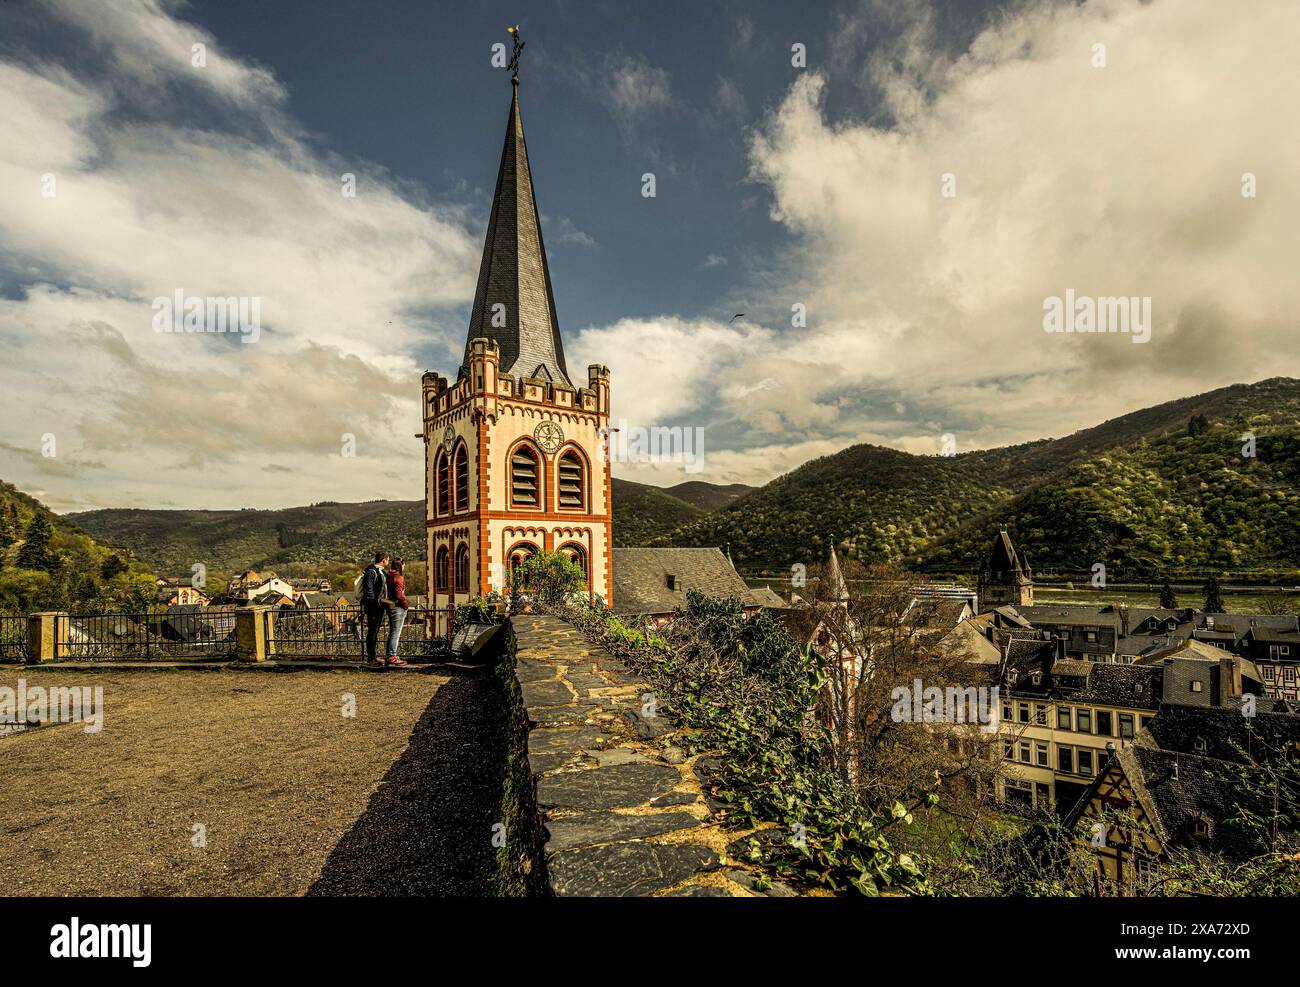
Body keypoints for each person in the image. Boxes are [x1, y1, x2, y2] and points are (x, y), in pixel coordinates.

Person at [359, 551, 391, 664]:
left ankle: (373, 656)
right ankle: (371, 657)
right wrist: (375, 603)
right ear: (384, 560)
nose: (388, 562)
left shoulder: (380, 572)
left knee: (375, 630)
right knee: (372, 631)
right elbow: (369, 590)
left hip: (379, 606)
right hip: (374, 607)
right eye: (387, 559)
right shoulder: (371, 572)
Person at [385, 556, 409, 667]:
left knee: (392, 632)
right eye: (403, 565)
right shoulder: (398, 577)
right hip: (398, 607)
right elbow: (400, 595)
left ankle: (389, 655)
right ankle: (392, 656)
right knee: (396, 633)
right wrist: (405, 606)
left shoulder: (389, 576)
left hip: (390, 606)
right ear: (401, 565)